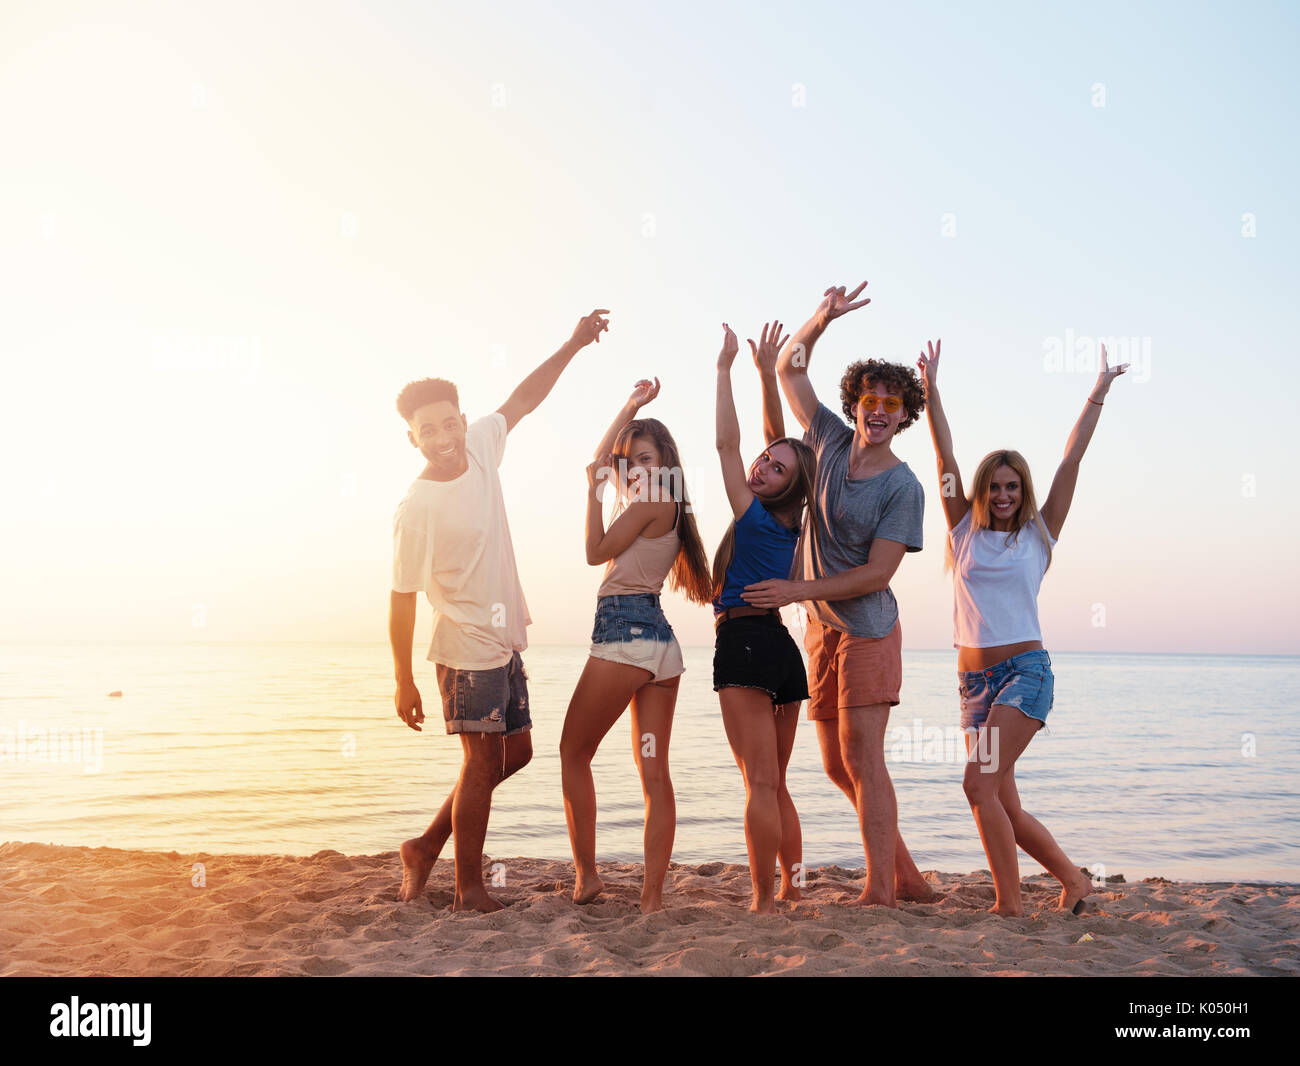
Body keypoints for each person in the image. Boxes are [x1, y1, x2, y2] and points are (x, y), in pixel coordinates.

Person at [390, 308, 610, 912]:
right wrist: (404, 678)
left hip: (502, 639)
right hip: (462, 647)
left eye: (445, 424)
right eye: (425, 432)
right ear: (412, 438)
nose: (439, 438)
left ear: (462, 420)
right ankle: (468, 889)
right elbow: (401, 596)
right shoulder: (418, 508)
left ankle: (426, 845)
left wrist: (572, 343)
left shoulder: (484, 443)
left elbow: (525, 397)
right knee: (482, 759)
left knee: (516, 753)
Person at [917, 337, 1125, 916]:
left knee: (976, 785)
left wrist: (1097, 393)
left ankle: (1009, 905)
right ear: (982, 491)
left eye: (1013, 486)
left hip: (1025, 676)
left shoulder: (1039, 535)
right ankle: (1074, 882)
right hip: (973, 685)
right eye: (996, 486)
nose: (1004, 495)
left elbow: (1069, 462)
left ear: (1022, 492)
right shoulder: (962, 532)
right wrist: (932, 392)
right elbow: (944, 460)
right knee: (999, 796)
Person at [744, 282, 934, 907]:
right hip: (820, 629)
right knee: (833, 764)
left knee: (863, 757)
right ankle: (907, 875)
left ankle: (880, 890)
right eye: (871, 399)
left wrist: (797, 587)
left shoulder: (903, 488)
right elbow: (787, 367)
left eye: (894, 404)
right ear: (856, 403)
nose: (880, 410)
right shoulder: (825, 436)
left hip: (869, 630)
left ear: (907, 415)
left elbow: (878, 575)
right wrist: (822, 317)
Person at [559, 378, 713, 913]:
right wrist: (629, 408)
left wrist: (590, 494)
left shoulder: (650, 499)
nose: (634, 468)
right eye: (631, 461)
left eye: (645, 458)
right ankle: (650, 899)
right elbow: (601, 463)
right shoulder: (662, 500)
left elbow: (594, 551)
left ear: (664, 460)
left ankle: (588, 878)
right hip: (660, 648)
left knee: (573, 753)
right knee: (654, 772)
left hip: (625, 634)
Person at [712, 320, 817, 913]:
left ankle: (762, 901)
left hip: (747, 647)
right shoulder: (796, 524)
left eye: (775, 471)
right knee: (774, 783)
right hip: (782, 652)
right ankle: (793, 889)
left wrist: (724, 370)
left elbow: (727, 447)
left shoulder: (753, 517)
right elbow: (780, 450)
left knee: (758, 783)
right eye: (763, 461)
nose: (759, 468)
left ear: (787, 488)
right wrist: (764, 376)